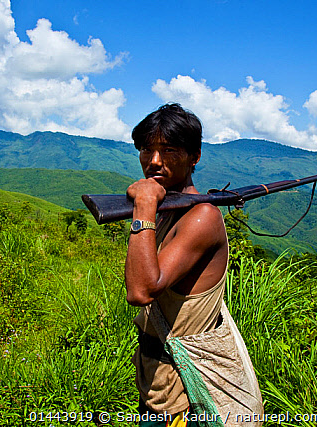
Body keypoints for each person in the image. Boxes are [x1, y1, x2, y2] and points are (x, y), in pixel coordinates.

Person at [125, 103, 260, 426]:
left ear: (194, 157)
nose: (154, 161)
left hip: (188, 393)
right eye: (147, 149)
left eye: (168, 150)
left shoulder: (201, 217)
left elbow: (141, 290)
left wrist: (143, 207)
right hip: (161, 381)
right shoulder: (169, 209)